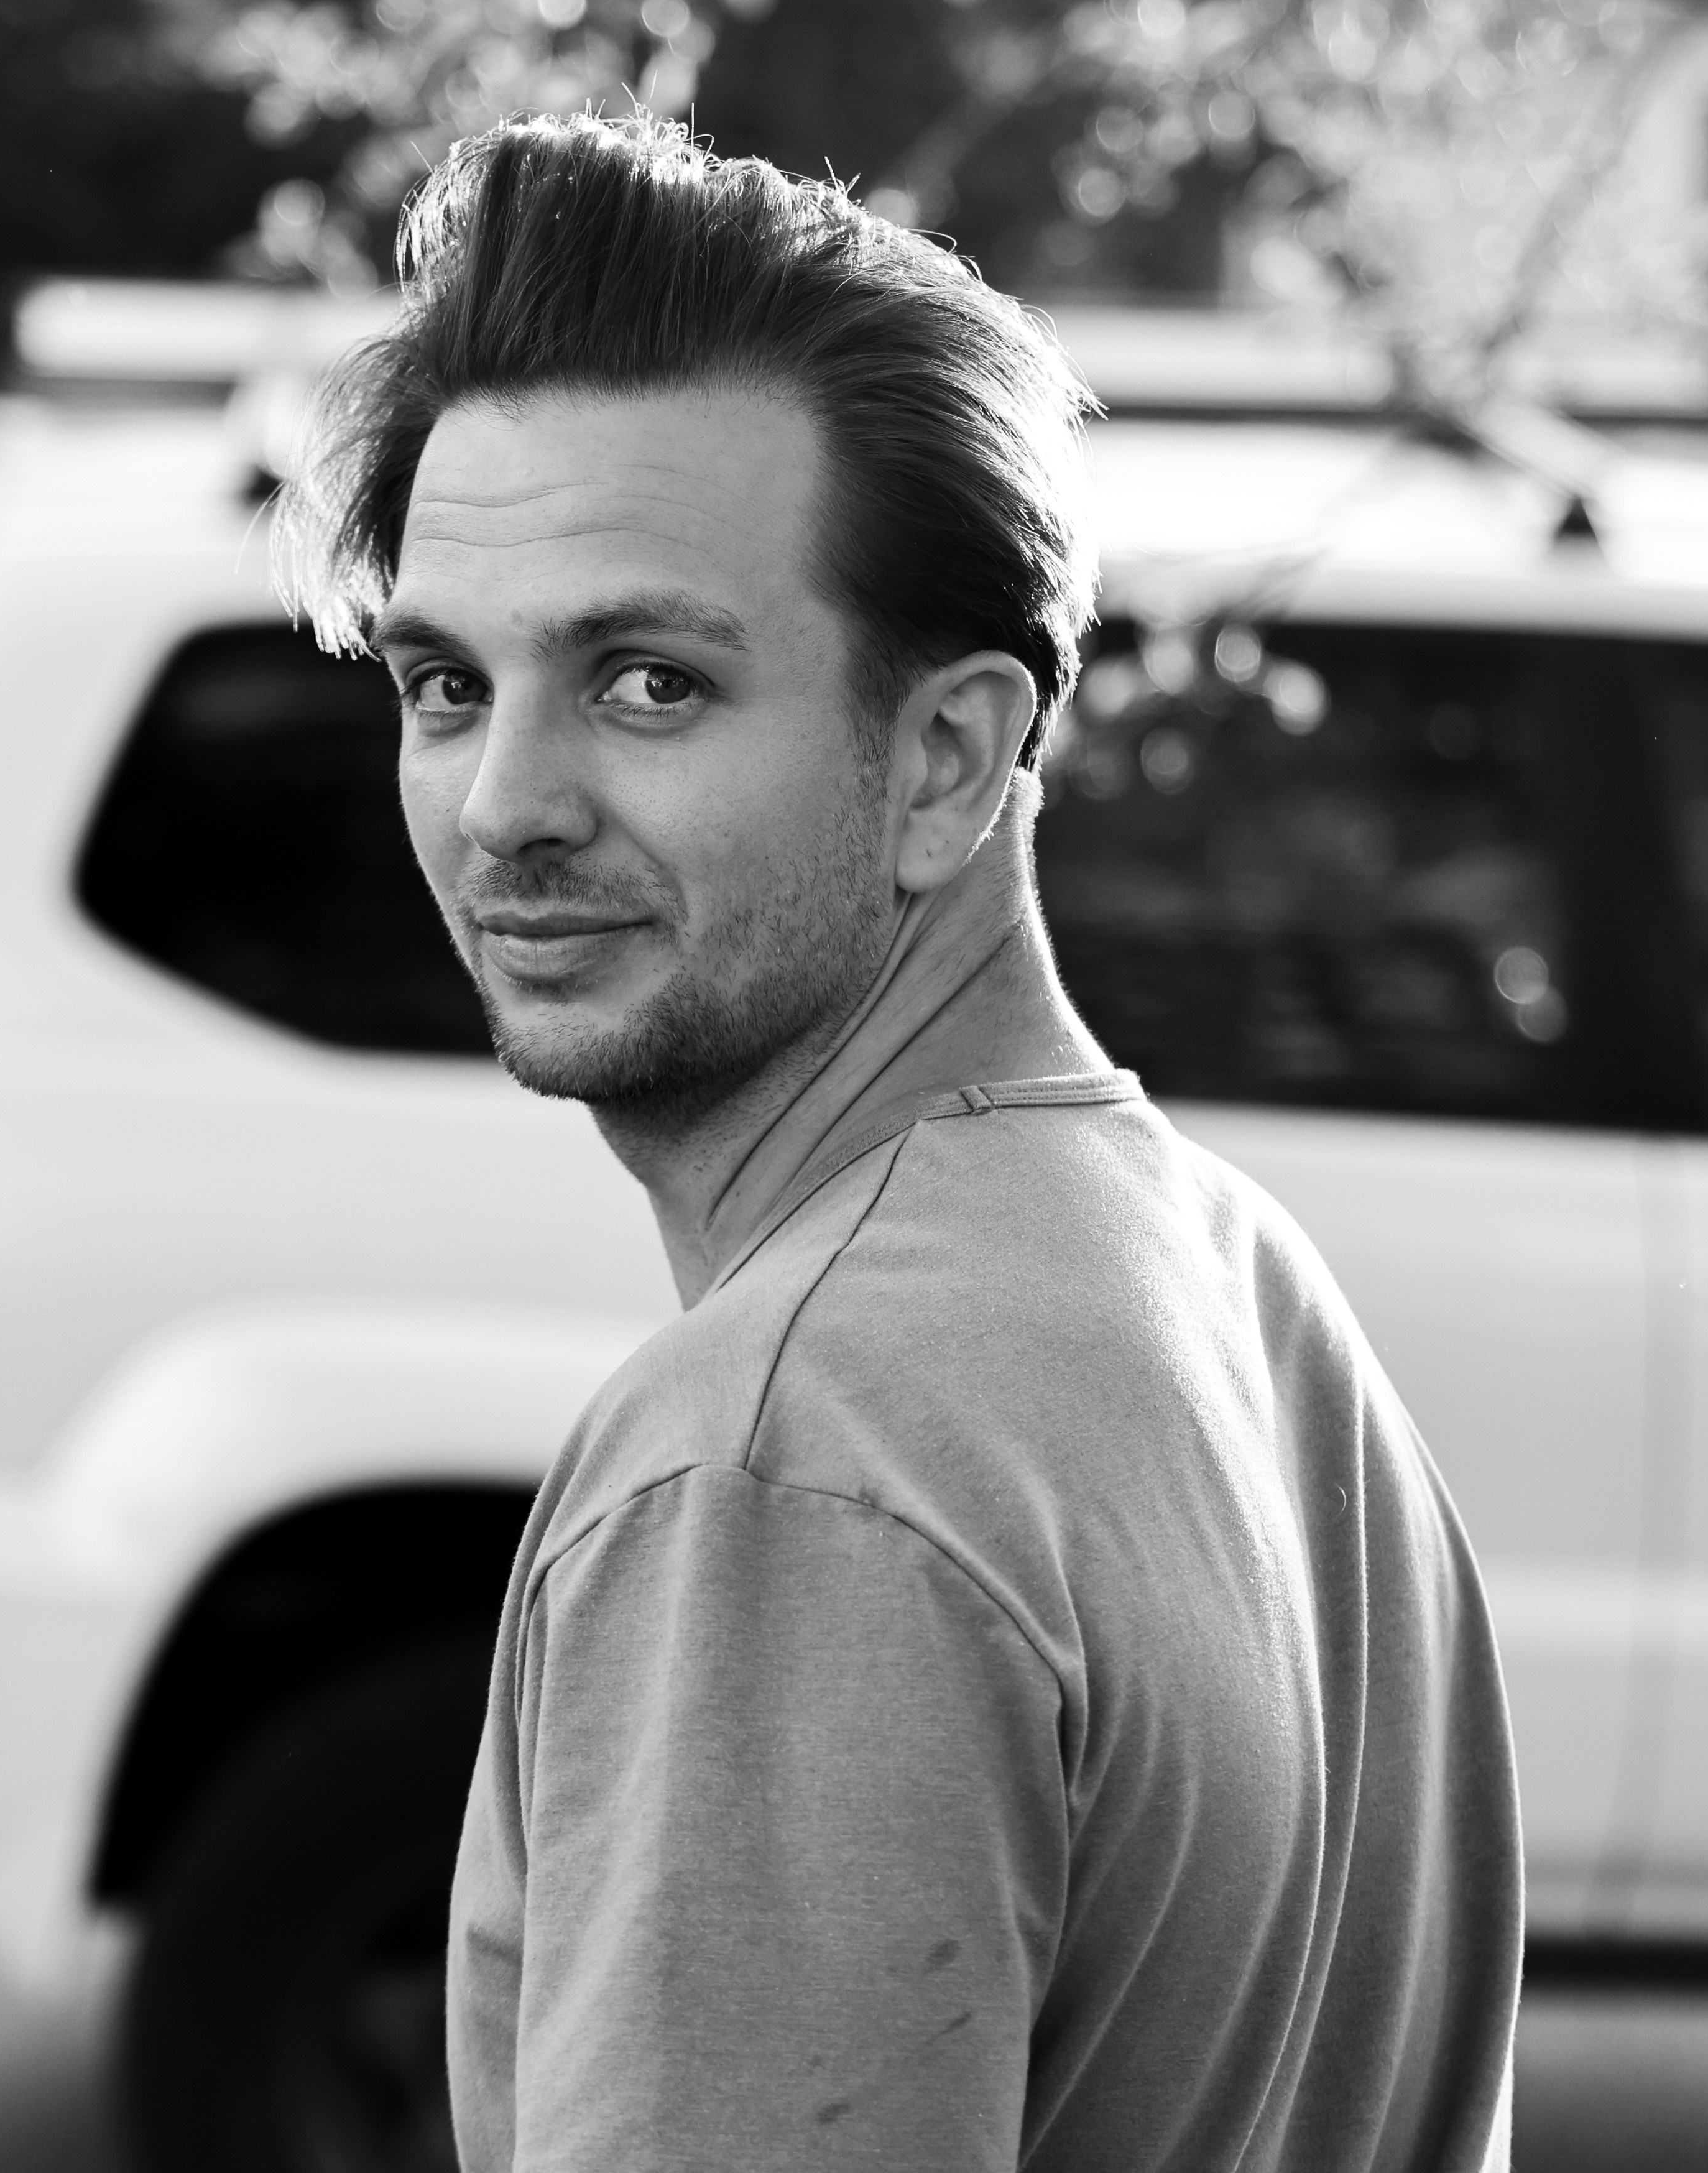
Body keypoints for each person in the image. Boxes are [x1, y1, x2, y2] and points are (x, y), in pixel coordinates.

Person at [285, 110, 1524, 2172]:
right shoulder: (1226, 1277)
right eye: (441, 683)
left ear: (949, 754)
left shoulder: (786, 1460)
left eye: (649, 681)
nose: (504, 802)